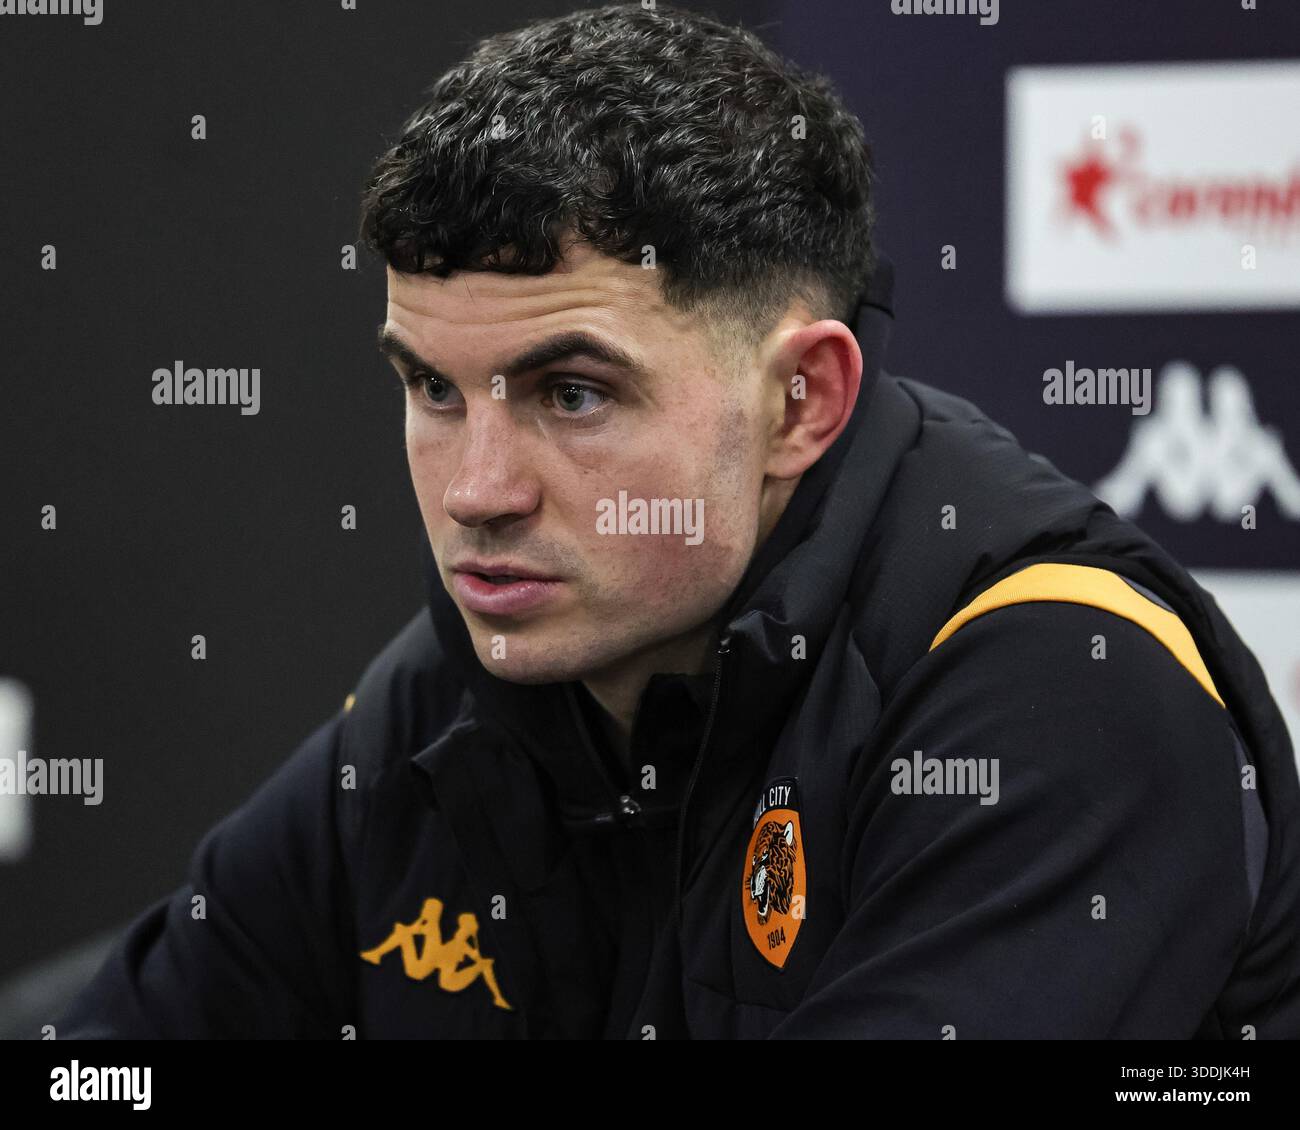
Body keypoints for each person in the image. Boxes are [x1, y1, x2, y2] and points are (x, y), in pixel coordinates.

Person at [55, 3, 1300, 1039]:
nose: (477, 486)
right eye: (433, 387)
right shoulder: (454, 686)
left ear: (801, 400)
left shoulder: (1064, 686)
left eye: (574, 392)